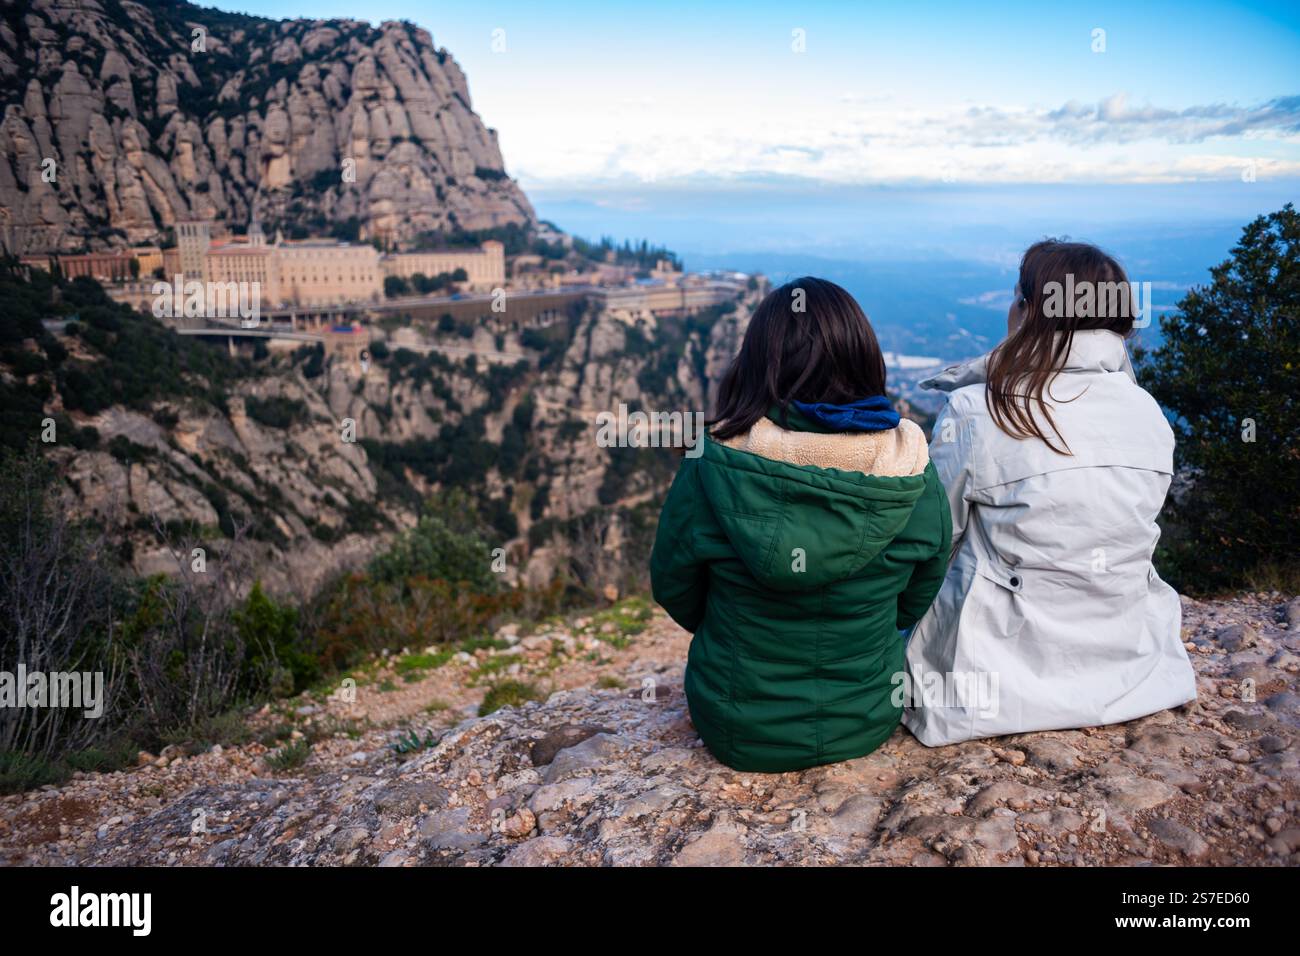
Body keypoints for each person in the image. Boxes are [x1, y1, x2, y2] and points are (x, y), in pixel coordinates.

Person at [903, 240, 1197, 746]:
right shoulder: (1146, 412)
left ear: (1027, 310)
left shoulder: (978, 409)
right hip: (1135, 675)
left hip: (990, 690)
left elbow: (932, 542)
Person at [651, 277, 951, 772]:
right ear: (864, 357)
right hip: (864, 719)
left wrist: (737, 627)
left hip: (736, 725)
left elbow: (674, 587)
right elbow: (916, 597)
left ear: (755, 364)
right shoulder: (911, 469)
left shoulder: (712, 462)